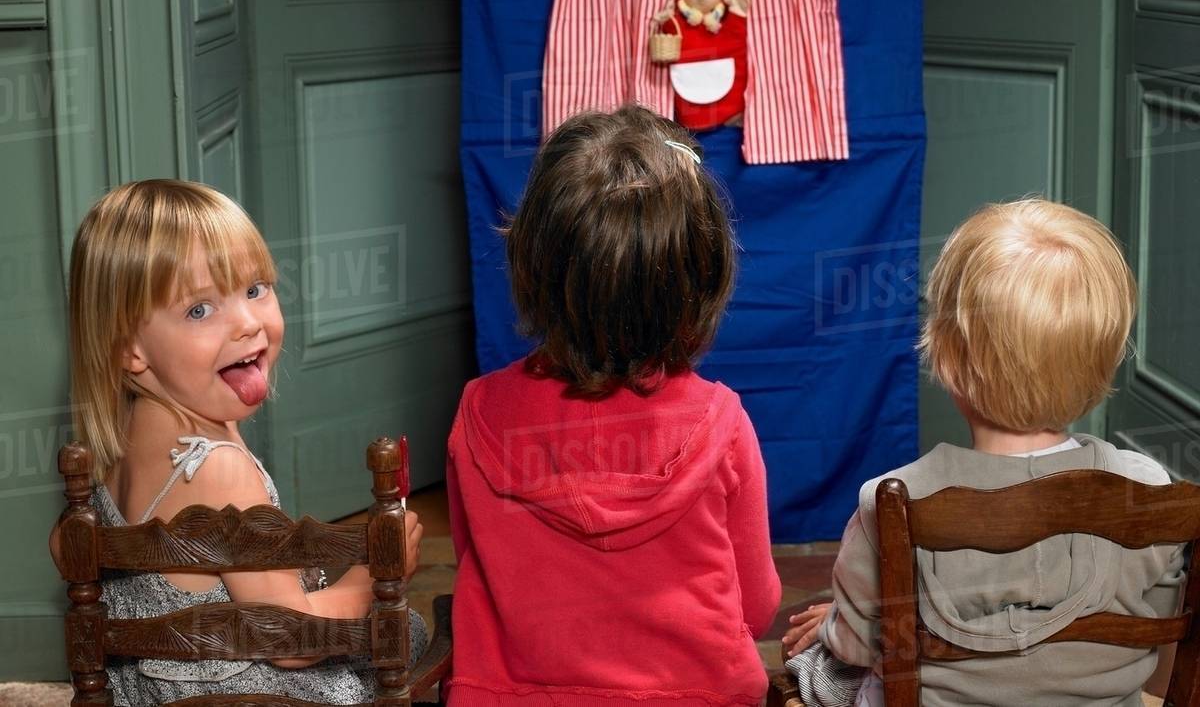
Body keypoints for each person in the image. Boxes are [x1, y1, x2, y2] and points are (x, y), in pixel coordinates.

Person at [782, 198, 1187, 706]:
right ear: (1103, 361)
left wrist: (841, 625)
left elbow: (858, 645)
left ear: (946, 357)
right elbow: (1161, 629)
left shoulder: (892, 502)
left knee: (823, 667)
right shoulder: (1149, 492)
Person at [445, 105, 781, 706]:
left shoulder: (477, 412)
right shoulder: (722, 423)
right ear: (700, 276)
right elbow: (755, 608)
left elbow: (480, 570)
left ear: (532, 261)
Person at [58, 179, 427, 705]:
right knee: (404, 629)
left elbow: (63, 547)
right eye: (199, 310)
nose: (248, 323)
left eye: (254, 289)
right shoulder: (219, 468)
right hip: (241, 693)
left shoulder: (119, 439)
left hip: (142, 689)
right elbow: (292, 639)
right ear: (129, 348)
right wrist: (376, 573)